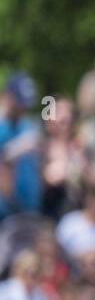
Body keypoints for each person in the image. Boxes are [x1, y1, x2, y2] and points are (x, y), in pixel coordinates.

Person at [0, 72, 42, 220]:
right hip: (5, 212)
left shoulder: (28, 127)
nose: (24, 108)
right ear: (8, 96)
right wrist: (10, 152)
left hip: (29, 210)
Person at [55, 185, 95, 269]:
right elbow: (58, 248)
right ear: (87, 201)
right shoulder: (70, 221)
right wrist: (81, 256)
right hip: (70, 268)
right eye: (94, 201)